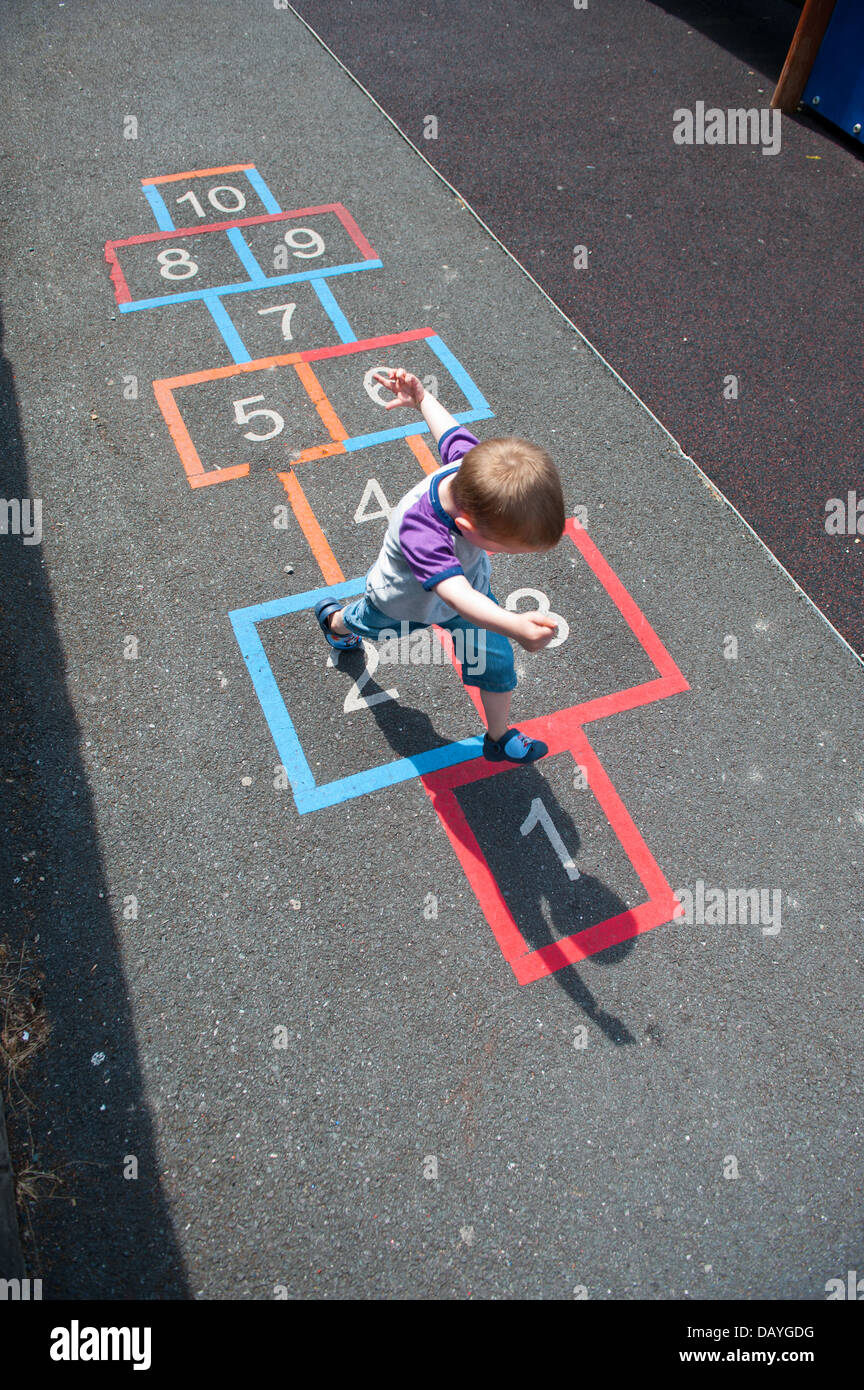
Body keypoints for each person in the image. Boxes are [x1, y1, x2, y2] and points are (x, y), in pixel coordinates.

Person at [315, 368, 565, 763]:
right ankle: (334, 623)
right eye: (508, 548)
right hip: (402, 602)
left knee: (497, 664)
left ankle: (497, 738)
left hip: (471, 598)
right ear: (467, 528)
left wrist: (422, 399)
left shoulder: (475, 472)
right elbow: (456, 594)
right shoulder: (423, 529)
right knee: (364, 621)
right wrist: (514, 624)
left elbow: (450, 433)